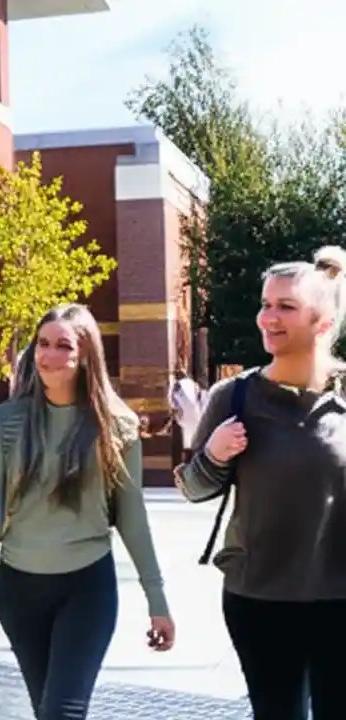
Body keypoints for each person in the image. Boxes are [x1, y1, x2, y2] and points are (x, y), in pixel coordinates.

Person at [0, 303, 175, 720]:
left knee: (63, 712)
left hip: (87, 588)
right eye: (43, 344)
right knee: (48, 711)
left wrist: (158, 599)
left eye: (64, 346)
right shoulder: (1, 423)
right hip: (19, 590)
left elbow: (133, 519)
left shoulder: (118, 426)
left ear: (86, 357)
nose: (49, 356)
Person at [174, 246, 346, 720]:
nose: (269, 317)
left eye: (286, 307)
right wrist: (213, 453)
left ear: (323, 323)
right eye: (266, 305)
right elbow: (193, 487)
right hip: (261, 599)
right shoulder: (236, 396)